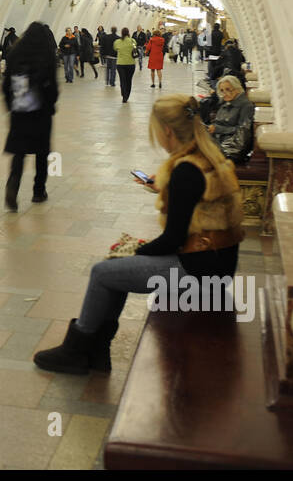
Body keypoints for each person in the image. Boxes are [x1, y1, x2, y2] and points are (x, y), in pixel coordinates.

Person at [33, 94, 244, 374]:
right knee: (114, 270)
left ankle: (78, 350)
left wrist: (135, 249)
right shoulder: (208, 156)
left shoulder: (185, 171)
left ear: (167, 131)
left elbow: (173, 239)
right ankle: (95, 353)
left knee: (103, 272)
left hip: (198, 272)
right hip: (217, 263)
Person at [2, 23, 59, 212]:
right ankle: (38, 191)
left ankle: (13, 185)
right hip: (41, 112)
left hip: (19, 111)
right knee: (41, 152)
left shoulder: (14, 54)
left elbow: (5, 85)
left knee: (19, 152)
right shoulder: (47, 56)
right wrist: (51, 105)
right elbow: (53, 87)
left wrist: (11, 105)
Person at [208, 75, 255, 163]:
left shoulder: (245, 105)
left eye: (228, 89)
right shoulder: (225, 102)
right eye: (222, 90)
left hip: (231, 149)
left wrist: (217, 129)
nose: (224, 93)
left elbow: (243, 131)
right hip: (219, 143)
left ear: (237, 89)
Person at [115, 27, 138, 103]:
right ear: (128, 33)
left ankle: (123, 94)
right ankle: (127, 95)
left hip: (120, 64)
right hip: (131, 64)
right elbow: (135, 47)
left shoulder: (117, 42)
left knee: (122, 80)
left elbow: (115, 48)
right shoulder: (132, 40)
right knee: (129, 80)